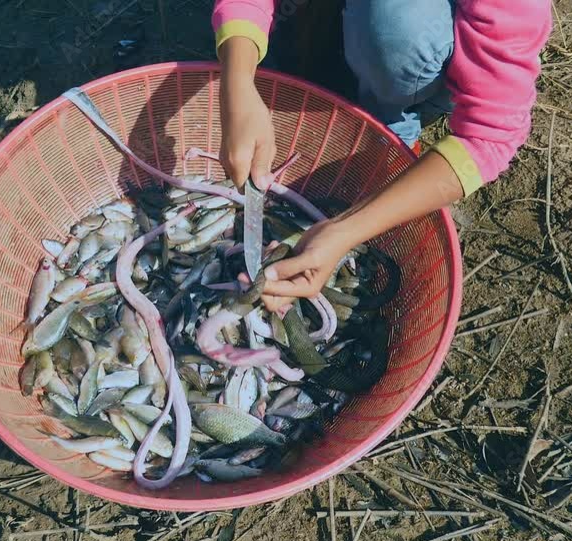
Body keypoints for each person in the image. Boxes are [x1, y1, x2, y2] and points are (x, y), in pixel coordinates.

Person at [212, 0, 552, 313]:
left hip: (409, 33)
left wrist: (344, 231)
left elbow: (490, 135)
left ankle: (390, 112)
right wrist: (237, 80)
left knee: (396, 30)